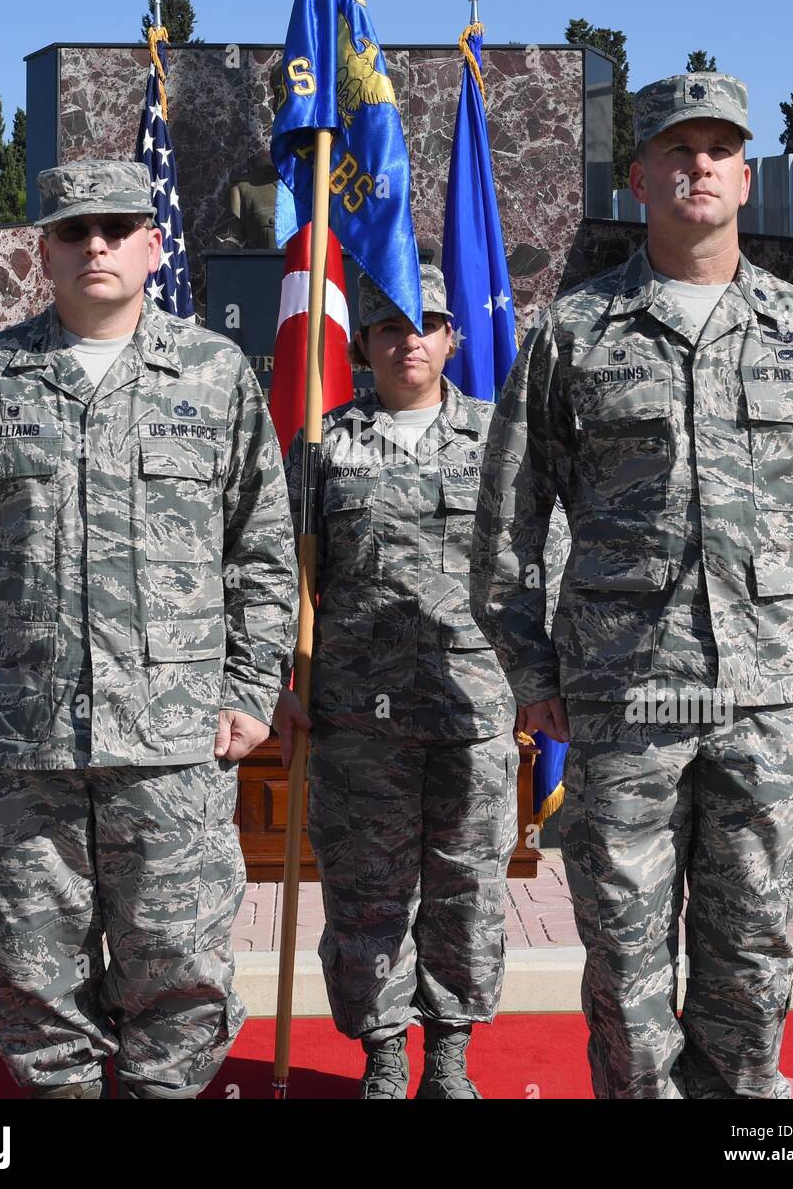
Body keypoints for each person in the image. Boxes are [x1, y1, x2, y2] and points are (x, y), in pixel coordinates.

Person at [470, 73, 793, 1099]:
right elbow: (508, 523)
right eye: (676, 148)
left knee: (752, 955)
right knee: (625, 960)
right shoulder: (575, 334)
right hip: (624, 699)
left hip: (769, 699)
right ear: (640, 176)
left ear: (747, 177)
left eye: (718, 149)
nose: (697, 165)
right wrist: (532, 672)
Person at [0, 160, 297, 1099]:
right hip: (23, 735)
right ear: (42, 249)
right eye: (75, 230)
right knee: (33, 971)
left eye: (118, 227)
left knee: (179, 968)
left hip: (172, 737)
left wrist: (250, 693)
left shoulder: (213, 375)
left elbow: (262, 549)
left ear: (154, 245)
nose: (97, 245)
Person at [273, 263, 519, 1100]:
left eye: (427, 326)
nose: (409, 341)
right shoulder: (319, 445)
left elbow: (536, 566)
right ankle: (382, 1055)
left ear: (452, 338)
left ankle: (449, 1056)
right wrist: (278, 677)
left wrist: (546, 674)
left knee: (468, 889)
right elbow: (278, 574)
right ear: (366, 344)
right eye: (389, 328)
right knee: (365, 895)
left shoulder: (499, 440)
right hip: (355, 719)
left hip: (472, 708)